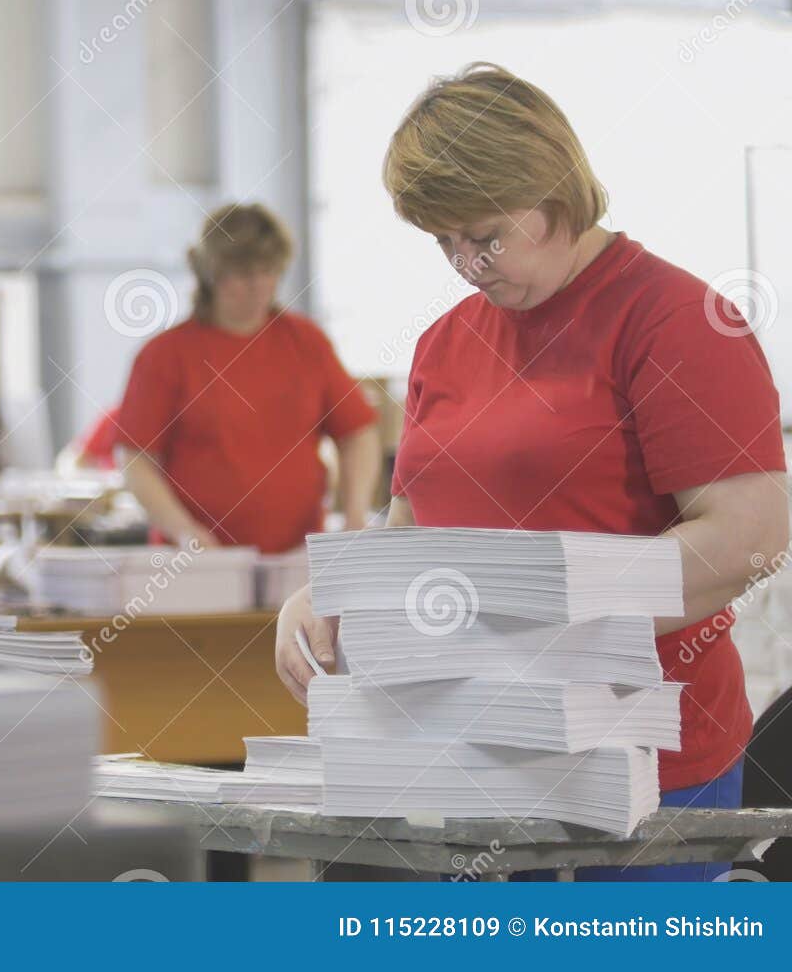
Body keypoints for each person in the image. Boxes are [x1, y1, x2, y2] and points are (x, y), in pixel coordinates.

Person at [275, 63, 789, 880]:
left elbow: (749, 539)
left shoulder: (680, 321)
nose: (466, 264)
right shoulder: (444, 342)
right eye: (444, 242)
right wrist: (335, 594)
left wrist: (543, 609)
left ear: (556, 193)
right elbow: (412, 521)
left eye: (485, 235)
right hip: (477, 752)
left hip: (648, 769)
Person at [114, 202, 381, 552]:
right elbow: (137, 461)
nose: (259, 286)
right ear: (211, 275)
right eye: (243, 275)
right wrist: (185, 532)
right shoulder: (164, 356)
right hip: (199, 563)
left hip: (295, 557)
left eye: (269, 271)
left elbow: (357, 434)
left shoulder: (306, 342)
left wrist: (355, 515)